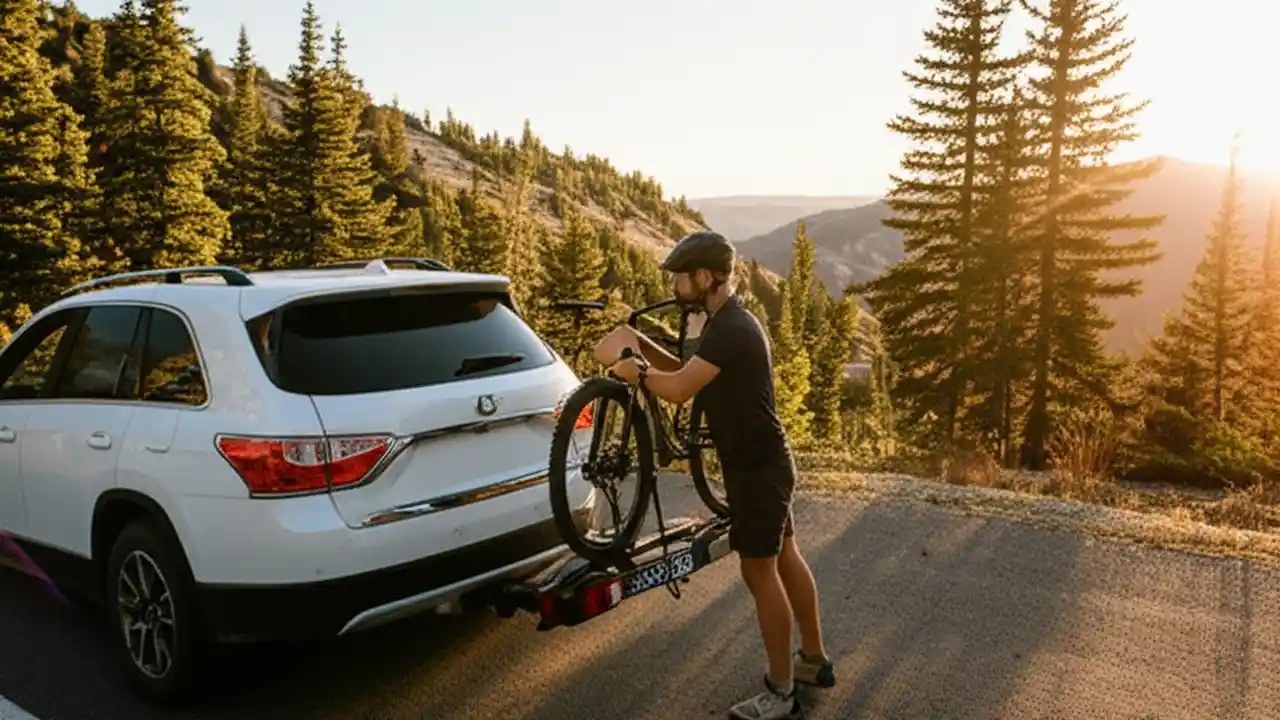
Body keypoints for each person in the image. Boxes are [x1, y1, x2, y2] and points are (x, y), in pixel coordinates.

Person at [606, 230, 835, 720]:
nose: (675, 286)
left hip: (756, 470)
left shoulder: (730, 329)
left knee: (759, 569)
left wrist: (637, 375)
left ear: (706, 277)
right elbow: (691, 367)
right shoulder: (726, 321)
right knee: (786, 556)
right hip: (766, 464)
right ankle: (812, 661)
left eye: (681, 277)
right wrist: (643, 354)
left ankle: (779, 692)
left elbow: (680, 389)